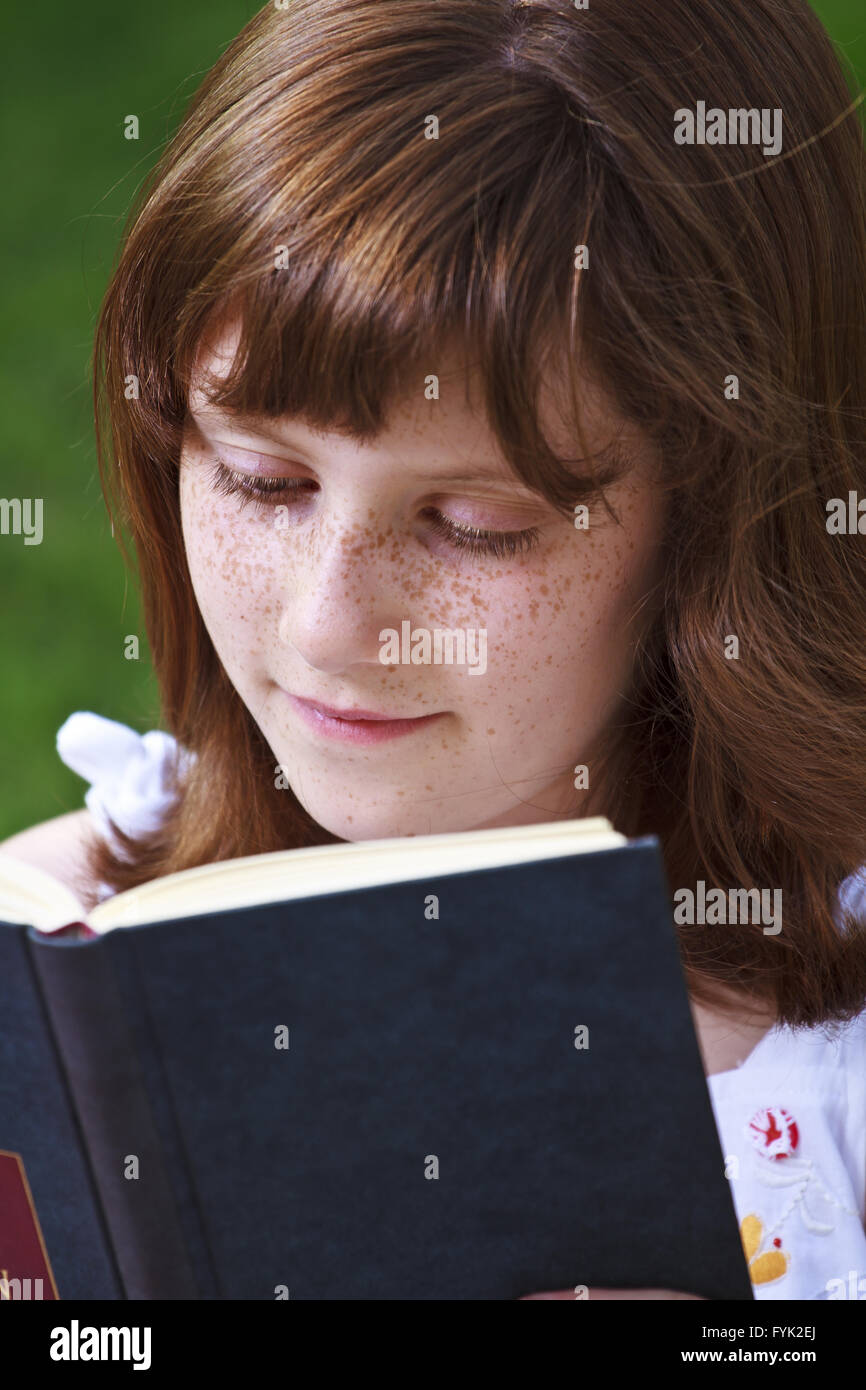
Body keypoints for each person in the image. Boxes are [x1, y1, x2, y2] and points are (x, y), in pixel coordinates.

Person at [3, 0, 866, 1300]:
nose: (326, 625)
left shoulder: (826, 1062)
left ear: (716, 527)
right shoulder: (63, 939)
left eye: (473, 525)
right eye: (260, 481)